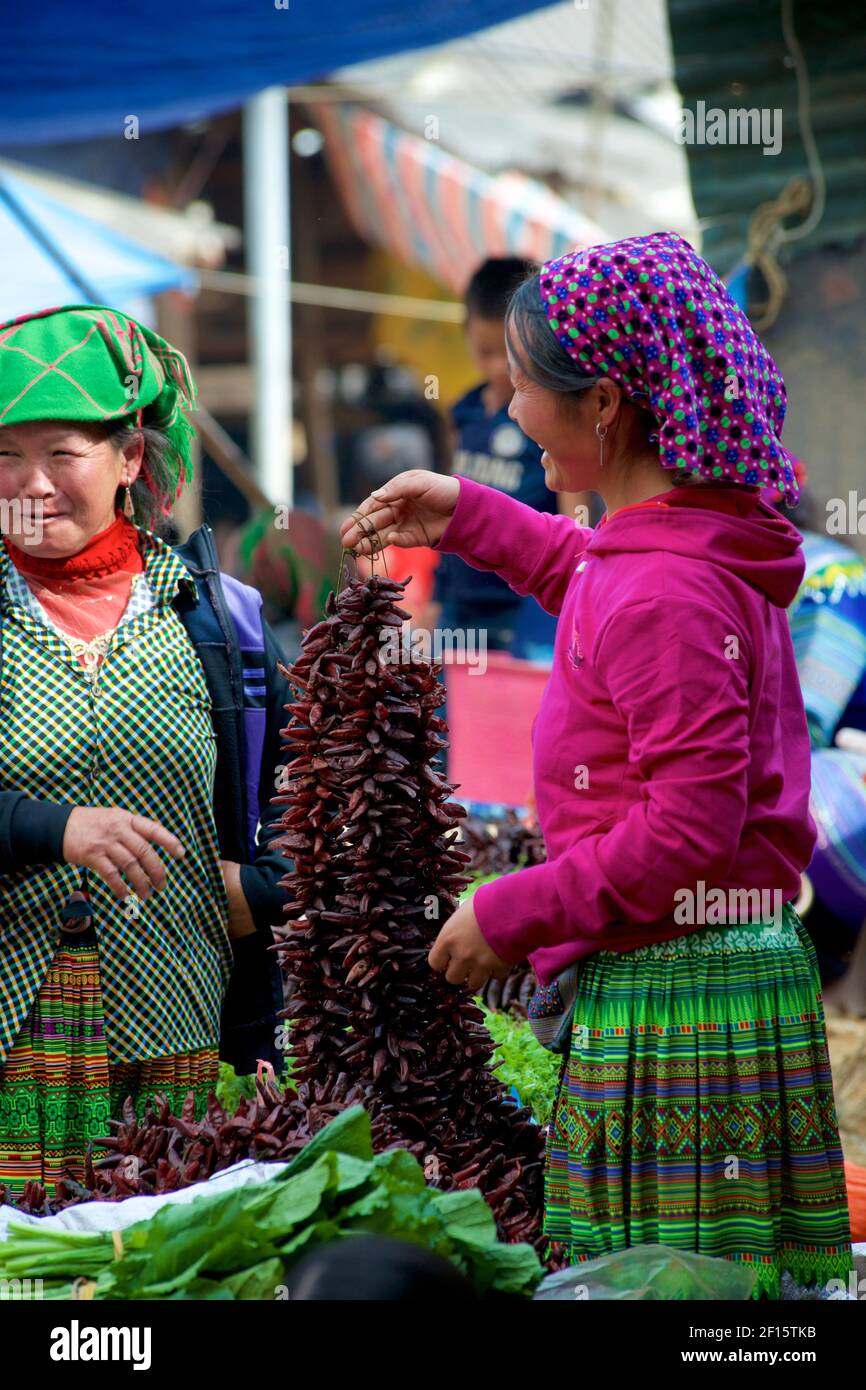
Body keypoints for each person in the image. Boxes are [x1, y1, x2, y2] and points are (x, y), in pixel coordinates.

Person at [342, 231, 853, 1298]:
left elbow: (685, 833)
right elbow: (598, 574)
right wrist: (470, 515)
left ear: (605, 404)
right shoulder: (687, 538)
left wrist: (511, 910)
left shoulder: (666, 587)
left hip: (678, 994)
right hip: (709, 969)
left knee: (672, 1297)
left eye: (523, 386)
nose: (509, 410)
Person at [0, 305, 291, 1197]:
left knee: (161, 1256)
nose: (30, 483)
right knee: (36, 1266)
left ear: (129, 459)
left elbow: (307, 795)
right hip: (21, 1035)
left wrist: (266, 884)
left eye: (62, 453)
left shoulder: (213, 618)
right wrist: (52, 828)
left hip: (181, 1018)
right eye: (6, 455)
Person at [425, 257, 584, 653]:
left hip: (525, 604)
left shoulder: (546, 418)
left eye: (508, 353)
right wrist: (437, 596)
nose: (497, 367)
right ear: (466, 334)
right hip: (461, 604)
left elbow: (573, 515)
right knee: (445, 706)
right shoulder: (464, 413)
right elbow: (449, 501)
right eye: (485, 352)